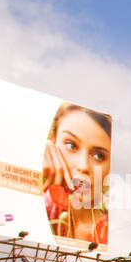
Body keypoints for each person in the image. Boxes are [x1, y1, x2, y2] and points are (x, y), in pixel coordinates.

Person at [42, 103, 112, 245]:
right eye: (71, 146)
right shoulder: (42, 208)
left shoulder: (109, 232)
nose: (83, 167)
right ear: (52, 144)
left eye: (99, 156)